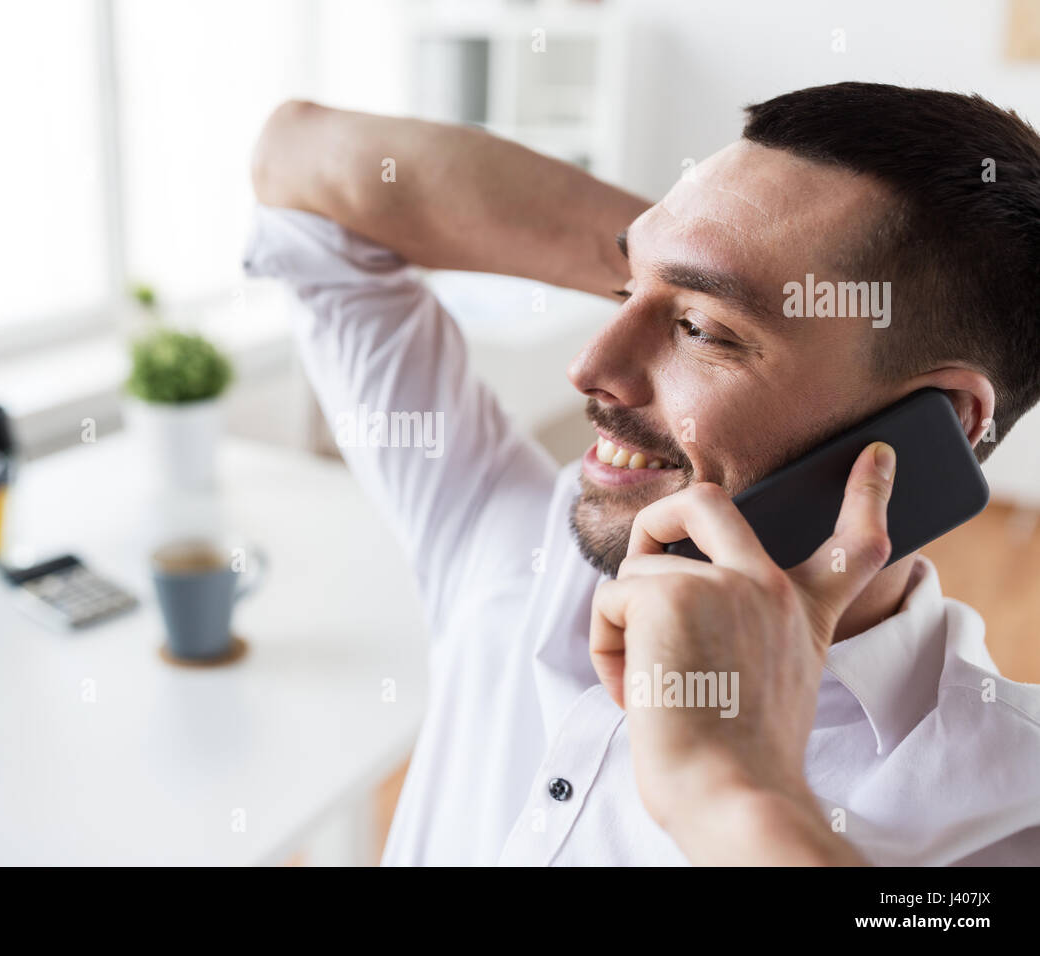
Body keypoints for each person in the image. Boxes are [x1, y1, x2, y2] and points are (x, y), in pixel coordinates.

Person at [245, 82, 1040, 865]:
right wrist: (699, 254)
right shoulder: (521, 549)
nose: (590, 367)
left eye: (701, 330)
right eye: (624, 286)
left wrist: (729, 795)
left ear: (946, 424)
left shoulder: (1008, 815)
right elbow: (300, 166)